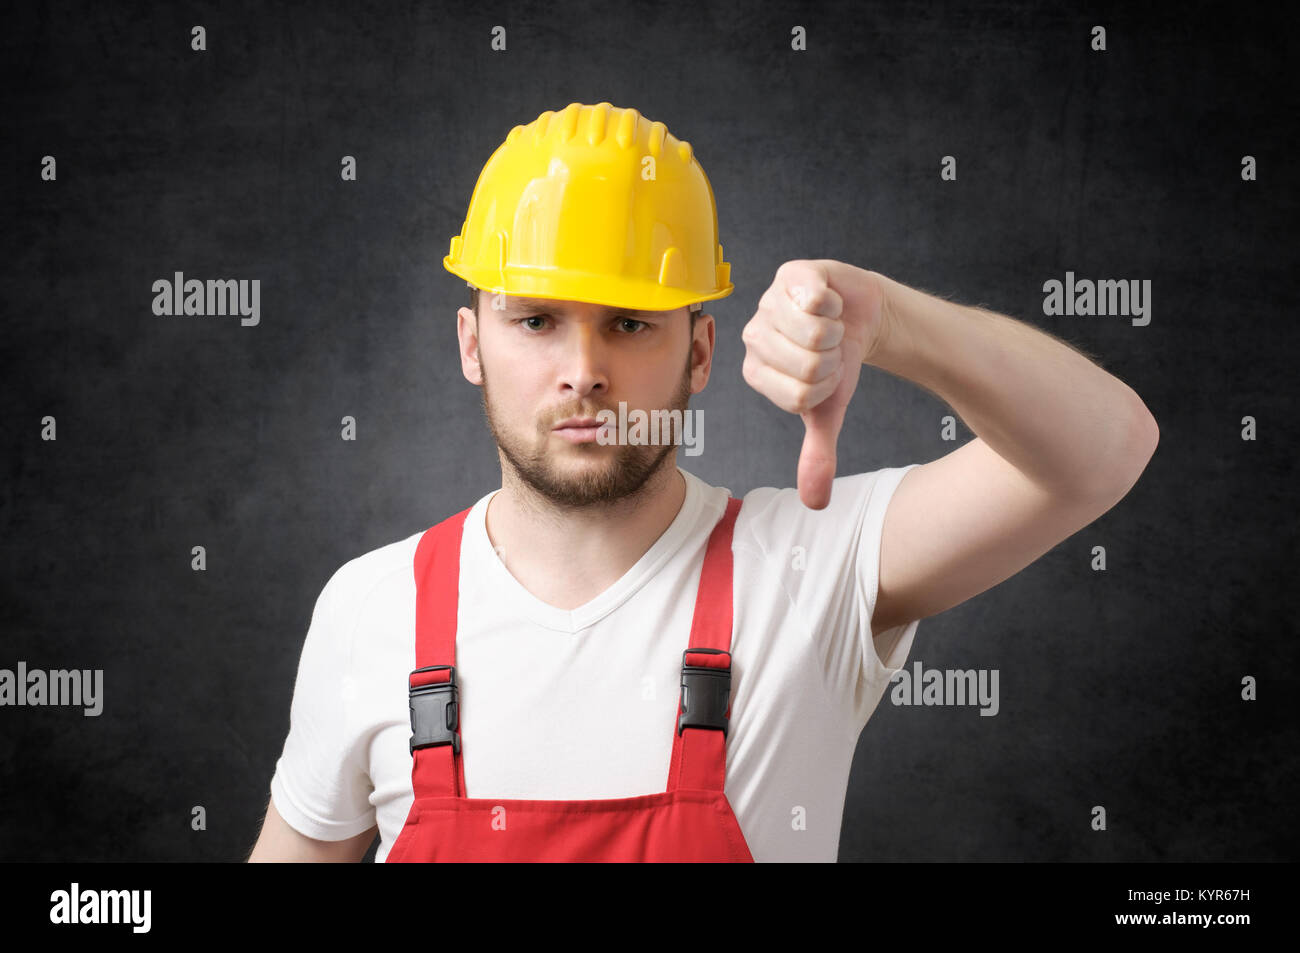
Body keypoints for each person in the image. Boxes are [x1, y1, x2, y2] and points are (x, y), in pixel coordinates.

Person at [247, 102, 1158, 862]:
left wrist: (890, 321)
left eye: (632, 323)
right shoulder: (369, 610)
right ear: (468, 344)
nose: (583, 370)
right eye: (534, 320)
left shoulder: (812, 568)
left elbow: (1108, 448)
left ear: (701, 350)